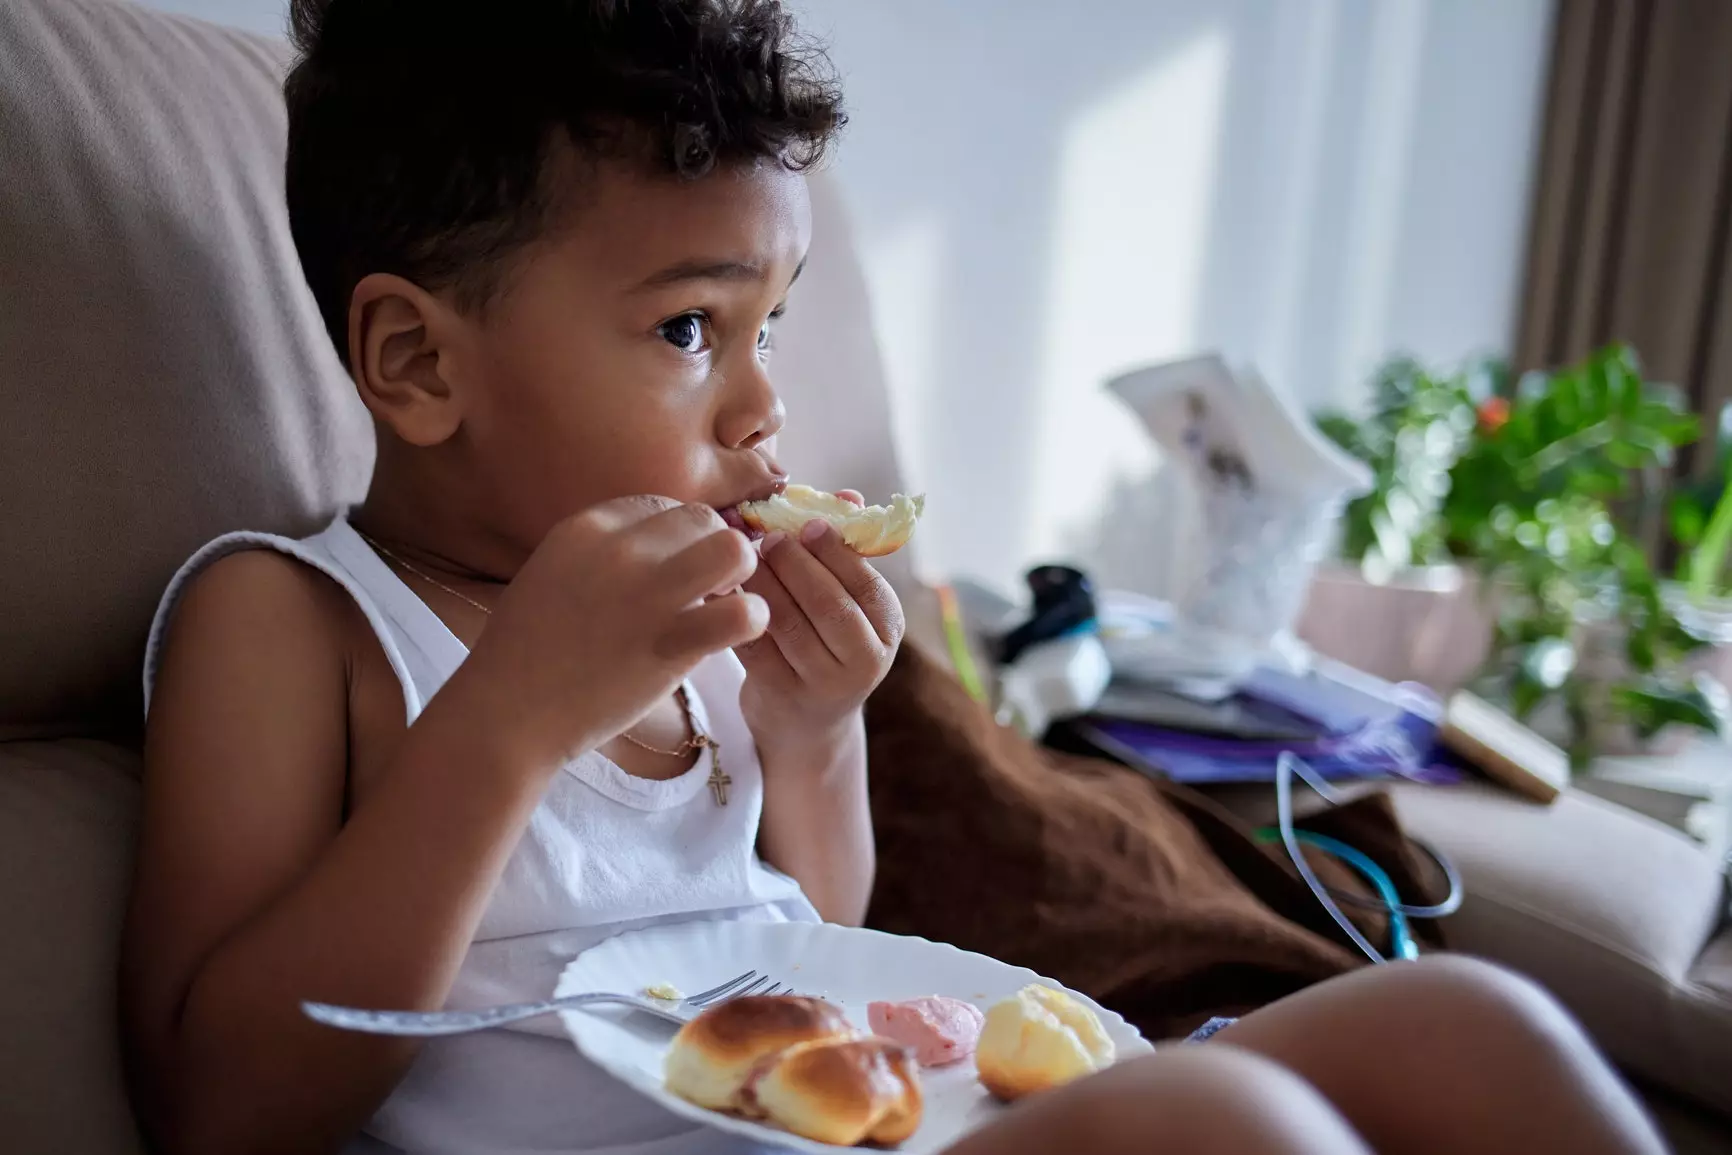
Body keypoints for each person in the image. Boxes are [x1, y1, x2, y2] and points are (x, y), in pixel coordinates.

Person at [119, 2, 1669, 1154]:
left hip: (862, 1113)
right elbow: (223, 1103)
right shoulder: (290, 622)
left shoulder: (697, 628)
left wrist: (813, 733)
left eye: (772, 324)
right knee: (1226, 1120)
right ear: (414, 362)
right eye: (687, 331)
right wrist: (506, 718)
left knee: (1475, 1024)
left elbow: (814, 928)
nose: (761, 408)